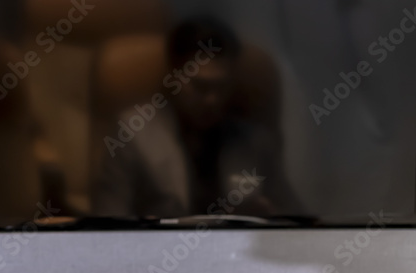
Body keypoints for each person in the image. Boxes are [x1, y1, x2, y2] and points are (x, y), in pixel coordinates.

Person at [92, 17, 302, 219]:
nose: (212, 100)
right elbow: (108, 224)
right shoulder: (133, 134)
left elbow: (296, 220)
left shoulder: (255, 142)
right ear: (174, 77)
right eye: (201, 87)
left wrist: (271, 219)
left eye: (221, 87)